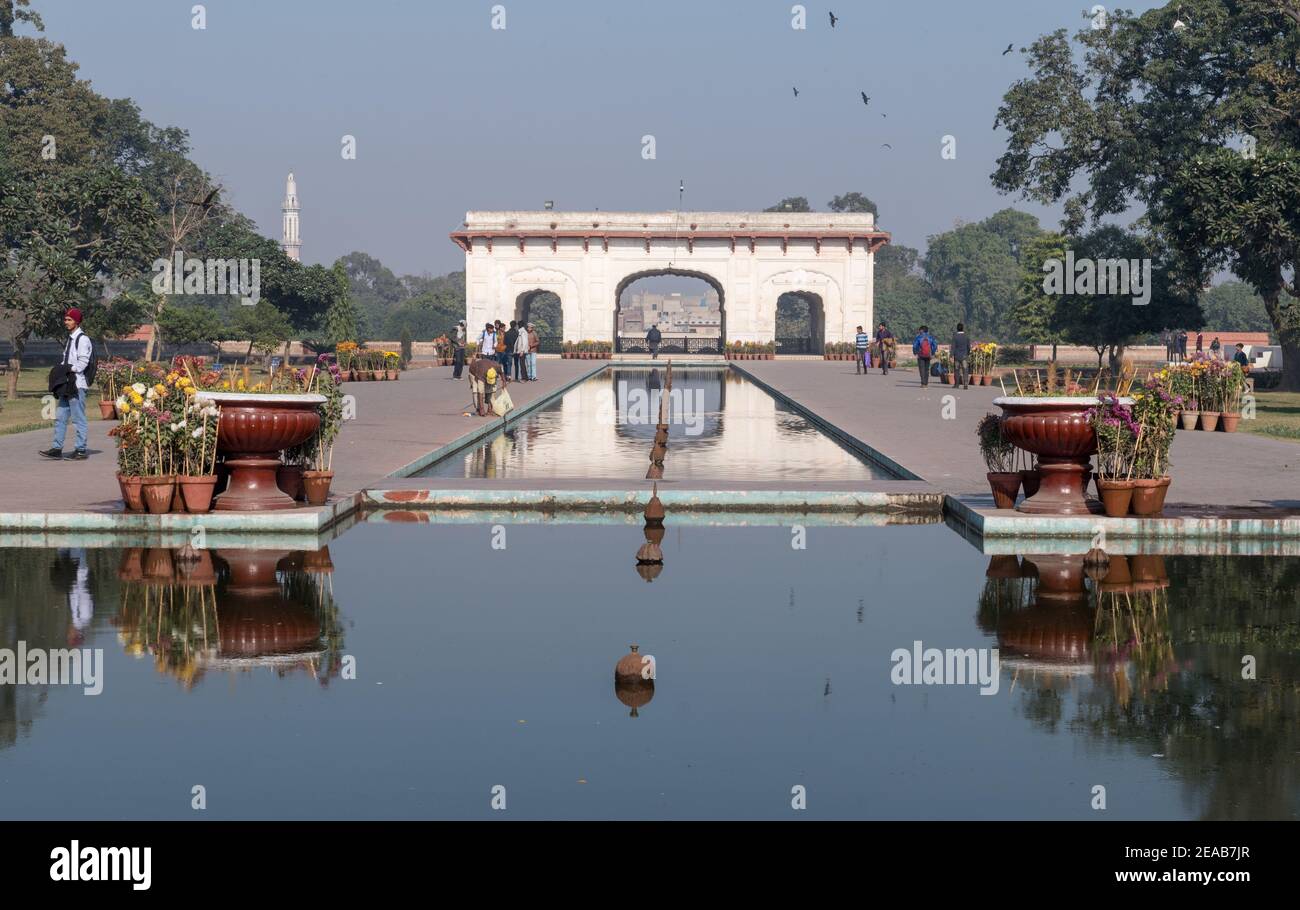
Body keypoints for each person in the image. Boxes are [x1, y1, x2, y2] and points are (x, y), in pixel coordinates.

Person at [40, 308, 93, 461]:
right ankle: (57, 448)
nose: (66, 322)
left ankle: (81, 450)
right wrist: (59, 371)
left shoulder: (82, 339)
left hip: (77, 384)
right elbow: (66, 361)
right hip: (67, 383)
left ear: (76, 321)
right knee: (61, 417)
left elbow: (83, 362)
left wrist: (69, 368)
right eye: (65, 320)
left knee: (78, 418)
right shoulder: (70, 339)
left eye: (69, 320)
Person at [951, 322, 971, 390]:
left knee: (956, 370)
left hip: (957, 356)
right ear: (963, 328)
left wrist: (951, 355)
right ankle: (965, 384)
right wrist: (968, 353)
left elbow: (953, 347)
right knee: (965, 370)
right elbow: (968, 346)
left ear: (957, 328)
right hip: (964, 356)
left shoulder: (955, 336)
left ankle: (957, 384)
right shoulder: (966, 336)